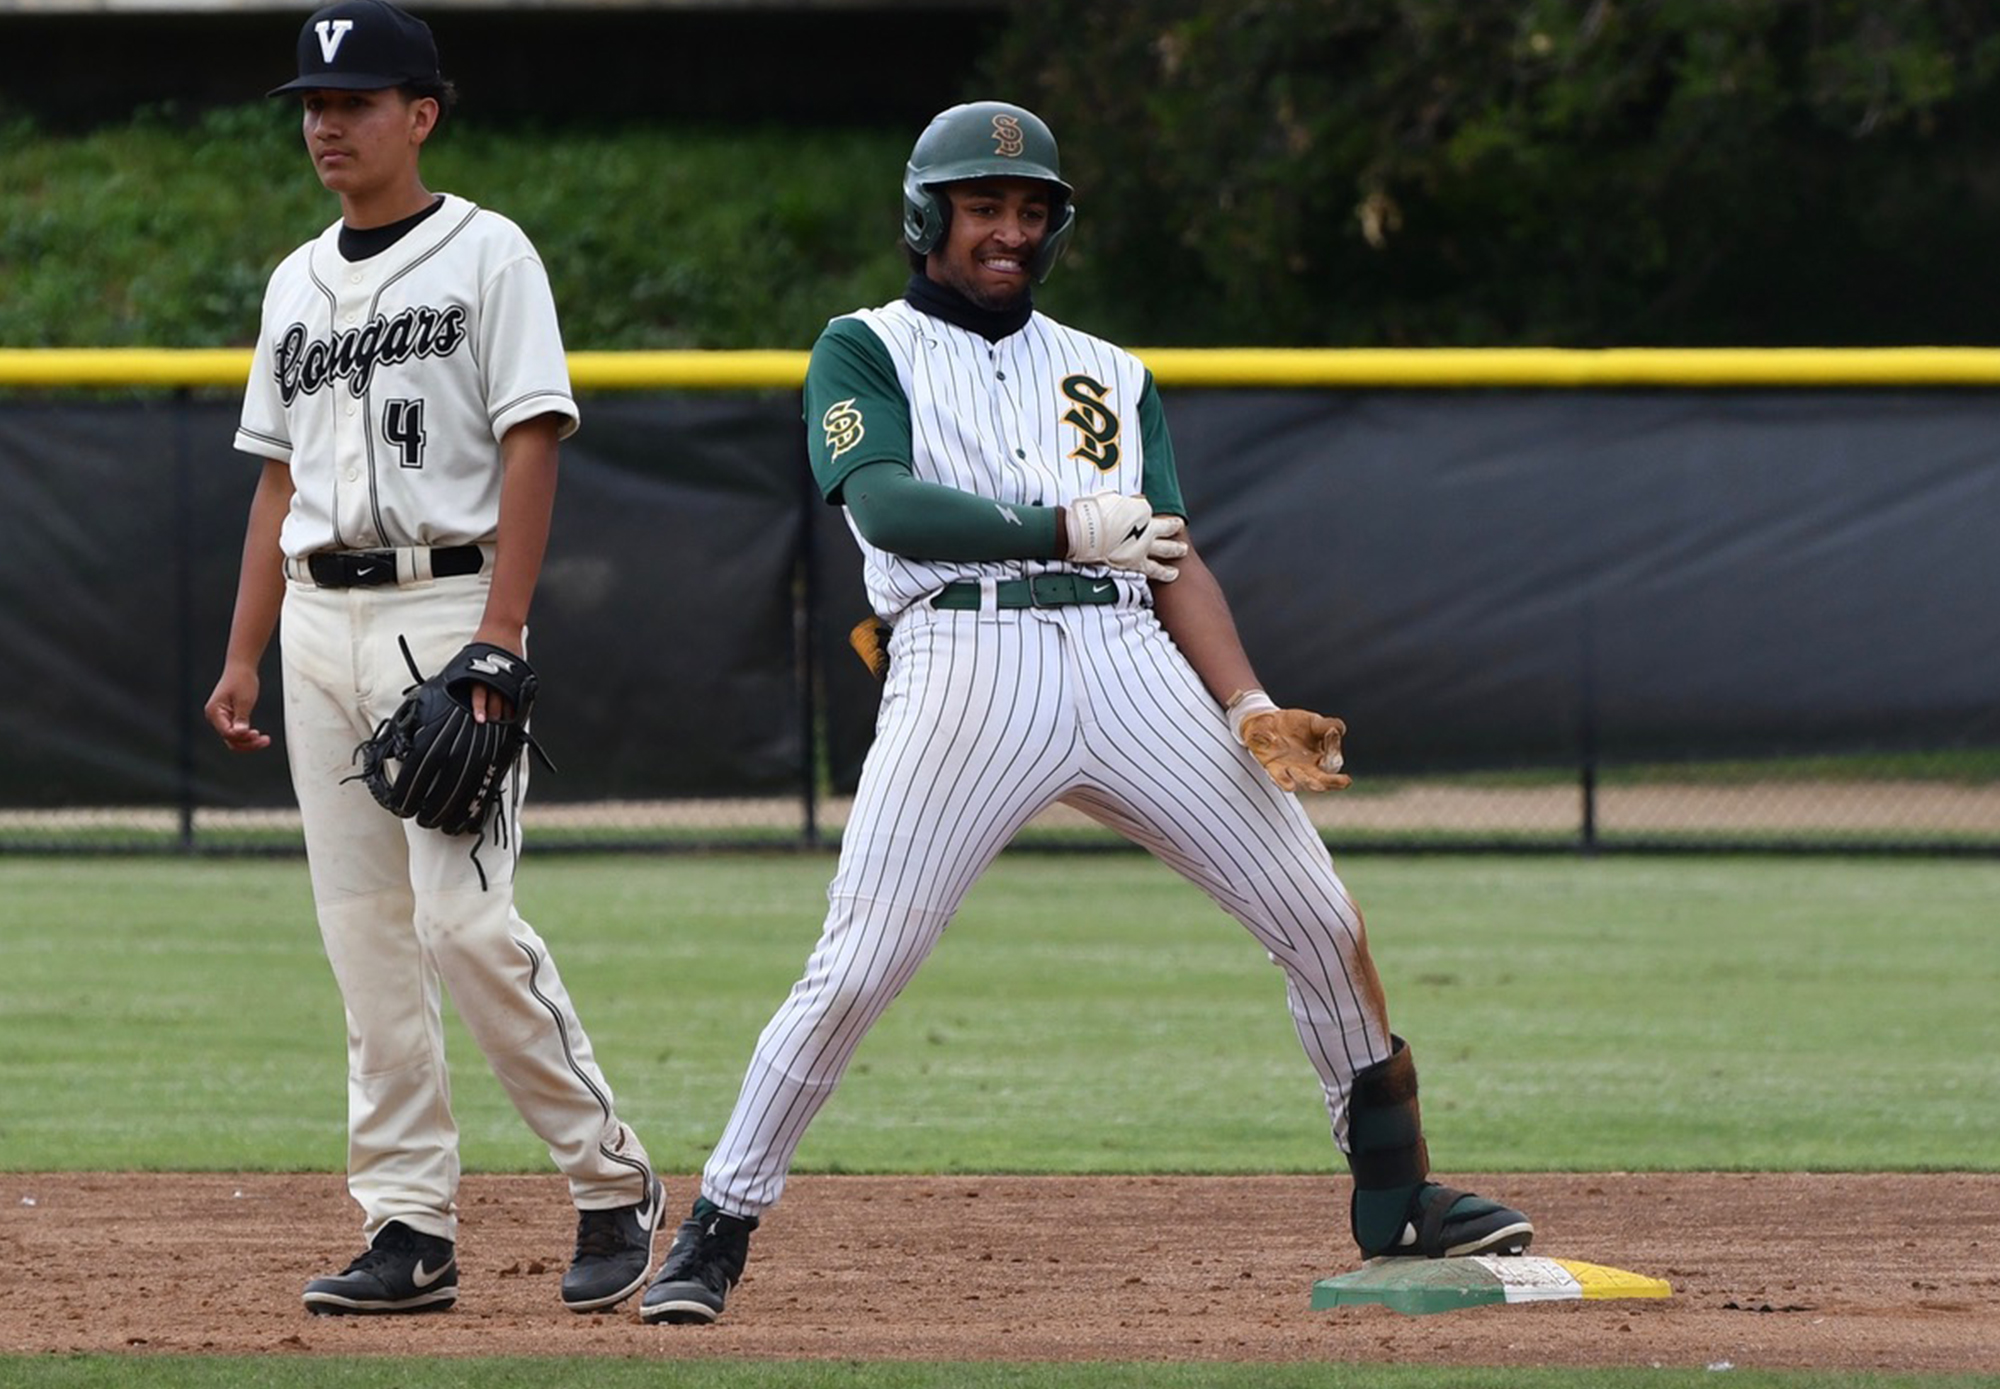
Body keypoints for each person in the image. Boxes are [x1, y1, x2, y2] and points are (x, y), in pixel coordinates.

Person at [638, 100, 1533, 1328]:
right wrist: (1061, 527)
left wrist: (1248, 702)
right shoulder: (861, 347)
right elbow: (886, 508)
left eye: (1028, 210)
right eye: (982, 206)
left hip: (1124, 659)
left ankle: (1397, 1197)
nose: (1008, 230)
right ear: (926, 215)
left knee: (1319, 918)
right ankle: (716, 1228)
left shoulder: (1108, 369)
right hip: (962, 660)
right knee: (861, 965)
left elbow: (1170, 555)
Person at [204, 0, 660, 1317]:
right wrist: (244, 653)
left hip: (446, 607)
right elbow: (279, 485)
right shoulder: (297, 282)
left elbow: (532, 441)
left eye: (353, 102)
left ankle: (610, 1179)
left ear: (422, 114)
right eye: (312, 103)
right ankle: (406, 1223)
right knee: (365, 943)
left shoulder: (489, 257)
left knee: (464, 922)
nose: (325, 123)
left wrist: (500, 637)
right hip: (316, 619)